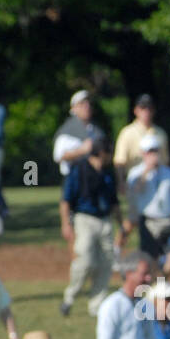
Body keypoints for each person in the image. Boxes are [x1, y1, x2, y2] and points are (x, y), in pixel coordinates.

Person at [59, 136, 124, 318]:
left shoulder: (107, 174)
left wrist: (121, 224)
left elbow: (114, 202)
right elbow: (65, 200)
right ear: (102, 153)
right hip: (84, 218)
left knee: (106, 262)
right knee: (85, 259)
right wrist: (66, 224)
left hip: (105, 220)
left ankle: (96, 305)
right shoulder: (78, 170)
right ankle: (70, 297)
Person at [125, 134, 170, 259]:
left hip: (166, 220)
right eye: (149, 151)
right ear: (142, 153)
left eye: (155, 151)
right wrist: (147, 170)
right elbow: (135, 191)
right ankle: (152, 278)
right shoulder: (136, 173)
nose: (153, 154)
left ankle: (161, 279)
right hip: (148, 222)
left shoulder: (167, 172)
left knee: (167, 256)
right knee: (149, 257)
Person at [113, 93, 169, 185]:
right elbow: (120, 161)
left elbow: (166, 161)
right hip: (134, 179)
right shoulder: (127, 132)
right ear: (136, 110)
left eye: (149, 109)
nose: (146, 112)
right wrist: (121, 182)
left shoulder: (161, 133)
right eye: (143, 108)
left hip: (158, 180)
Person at [53, 91, 104, 177]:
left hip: (95, 177)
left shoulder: (96, 129)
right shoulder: (67, 130)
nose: (87, 106)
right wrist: (82, 151)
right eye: (82, 104)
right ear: (73, 108)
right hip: (74, 177)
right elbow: (58, 156)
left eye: (88, 103)